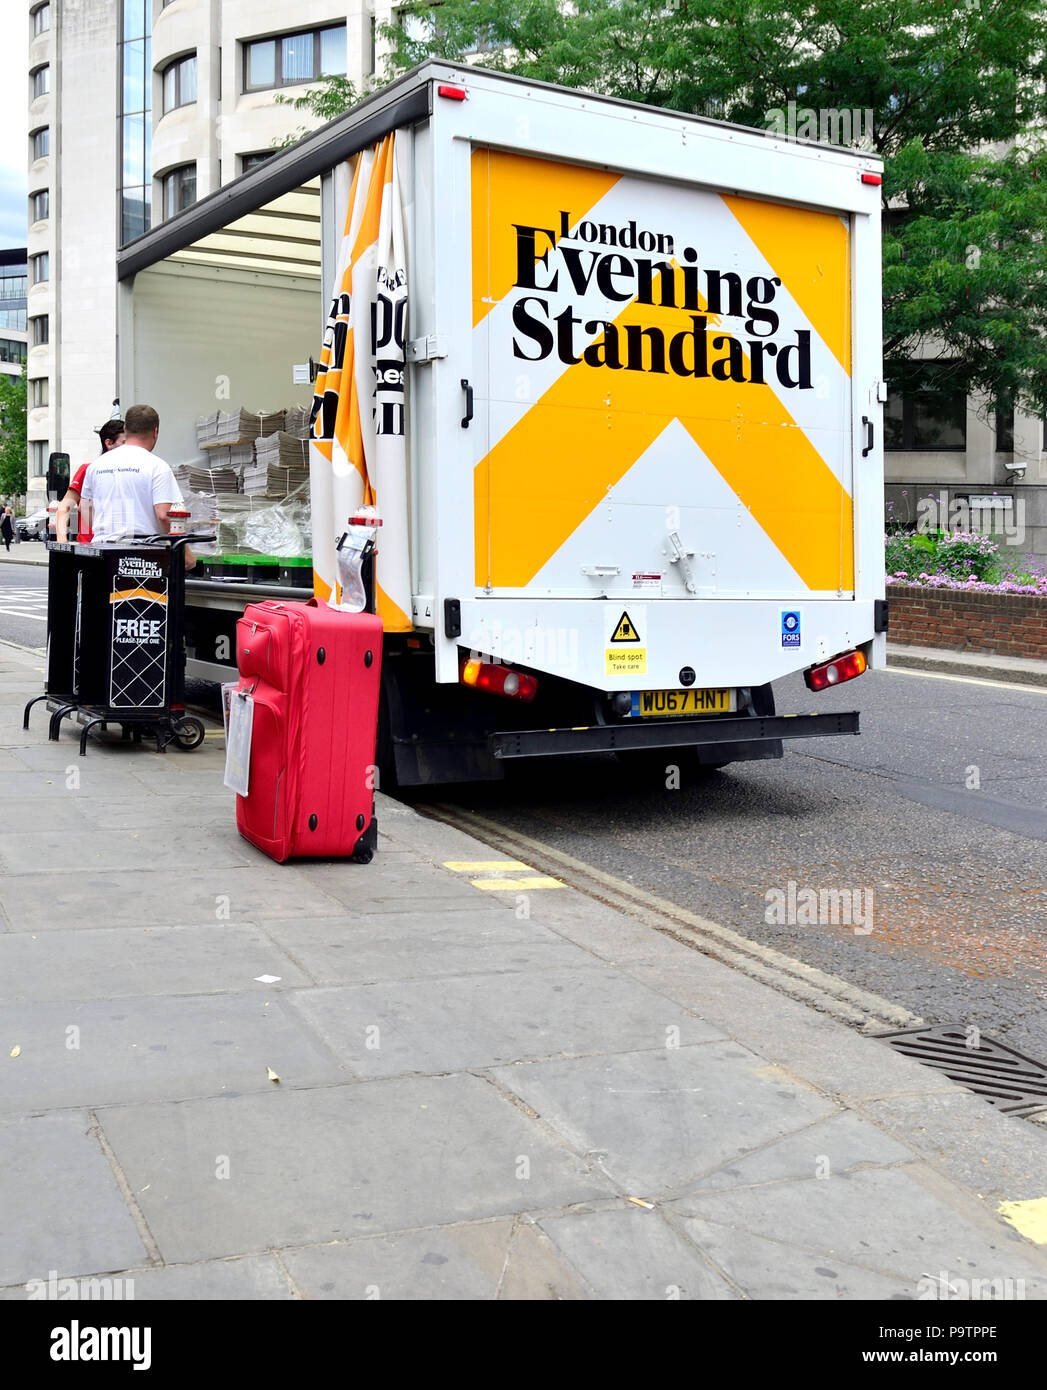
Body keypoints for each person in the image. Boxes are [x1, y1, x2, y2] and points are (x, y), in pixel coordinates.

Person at [80, 404, 183, 542]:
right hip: (143, 553)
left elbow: (84, 506)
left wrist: (107, 532)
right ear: (155, 431)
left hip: (102, 550)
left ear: (125, 428)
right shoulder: (158, 467)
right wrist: (184, 551)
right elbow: (164, 515)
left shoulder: (96, 465)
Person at [55, 419, 126, 544]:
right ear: (109, 443)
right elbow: (64, 507)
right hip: (89, 547)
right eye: (124, 443)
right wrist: (62, 543)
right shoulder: (88, 470)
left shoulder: (133, 472)